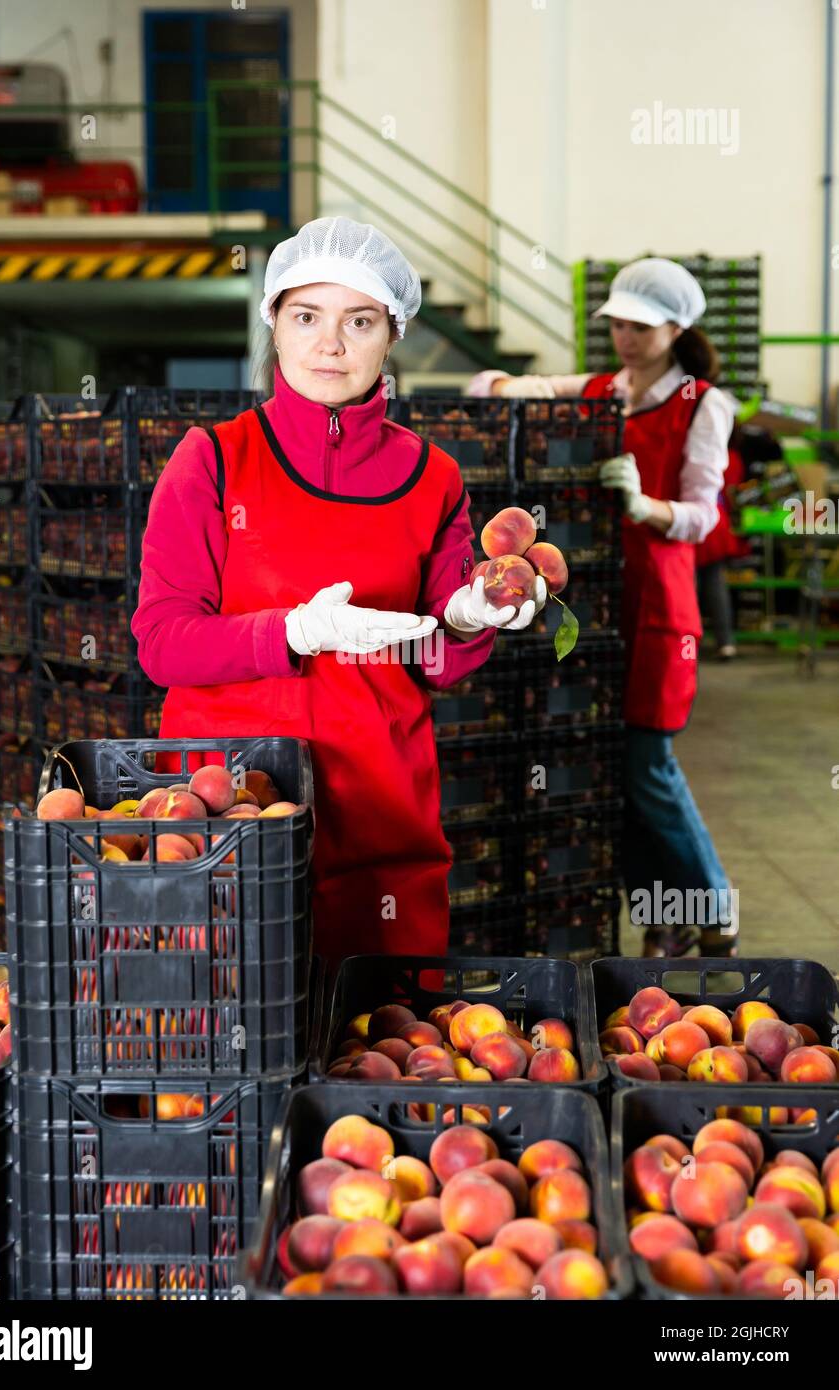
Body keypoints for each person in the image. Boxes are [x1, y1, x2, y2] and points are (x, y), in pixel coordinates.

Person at [132, 216, 546, 975]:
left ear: (392, 335)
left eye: (359, 321)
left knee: (380, 1041)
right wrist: (290, 632)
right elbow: (162, 644)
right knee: (227, 1025)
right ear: (275, 327)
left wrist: (467, 620)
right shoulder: (214, 462)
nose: (331, 344)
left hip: (380, 814)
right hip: (231, 811)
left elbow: (434, 663)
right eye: (306, 317)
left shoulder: (432, 477)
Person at [468, 257, 736, 957]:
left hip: (658, 607)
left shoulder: (702, 404)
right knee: (611, 768)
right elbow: (494, 389)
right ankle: (663, 919)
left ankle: (714, 905)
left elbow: (704, 515)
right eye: (616, 322)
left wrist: (646, 505)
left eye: (640, 326)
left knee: (648, 762)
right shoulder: (596, 392)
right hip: (595, 606)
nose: (624, 335)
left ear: (676, 329)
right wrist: (498, 384)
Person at [695, 417, 749, 659]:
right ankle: (726, 642)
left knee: (690, 588)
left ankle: (688, 646)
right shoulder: (734, 458)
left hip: (696, 520)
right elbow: (732, 494)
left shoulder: (700, 451)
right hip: (718, 523)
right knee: (716, 585)